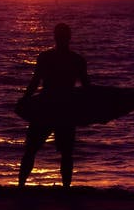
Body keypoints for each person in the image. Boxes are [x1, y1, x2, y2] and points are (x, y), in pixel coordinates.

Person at [18, 23, 89, 188]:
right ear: (69, 37)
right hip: (63, 108)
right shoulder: (77, 60)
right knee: (64, 153)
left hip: (48, 106)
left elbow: (35, 83)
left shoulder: (46, 57)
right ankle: (65, 189)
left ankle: (21, 186)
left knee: (33, 150)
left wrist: (25, 99)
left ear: (55, 37)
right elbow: (87, 88)